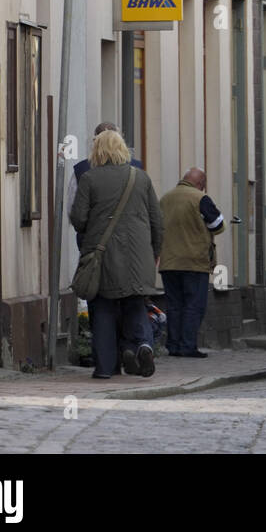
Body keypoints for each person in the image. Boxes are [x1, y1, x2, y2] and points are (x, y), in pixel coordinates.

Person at [70, 129, 164, 379]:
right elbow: (157, 220)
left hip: (102, 257)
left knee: (102, 310)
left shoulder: (89, 179)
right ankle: (143, 345)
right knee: (135, 305)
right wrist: (155, 252)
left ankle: (105, 369)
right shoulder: (141, 178)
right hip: (139, 256)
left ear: (97, 151)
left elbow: (78, 220)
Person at [159, 167, 226, 358]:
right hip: (193, 262)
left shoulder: (165, 198)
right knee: (193, 305)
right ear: (201, 184)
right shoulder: (200, 198)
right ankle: (187, 346)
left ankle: (173, 345)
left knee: (174, 305)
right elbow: (218, 225)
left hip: (169, 262)